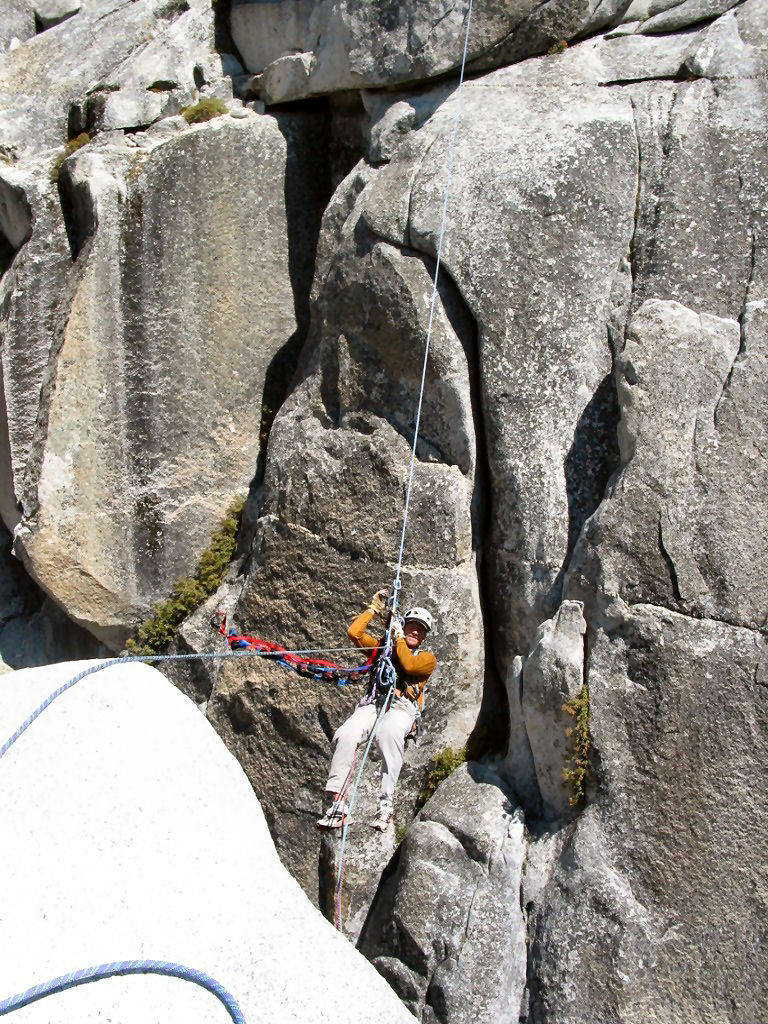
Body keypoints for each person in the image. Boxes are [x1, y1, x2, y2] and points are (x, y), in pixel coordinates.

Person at [317, 589, 437, 832]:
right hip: (374, 701)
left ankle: (385, 804)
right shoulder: (385, 649)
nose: (415, 630)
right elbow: (354, 633)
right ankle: (338, 804)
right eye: (412, 625)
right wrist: (373, 610)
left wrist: (398, 635)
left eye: (420, 629)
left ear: (424, 636)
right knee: (346, 734)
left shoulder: (427, 658)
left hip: (402, 706)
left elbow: (408, 664)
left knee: (388, 734)